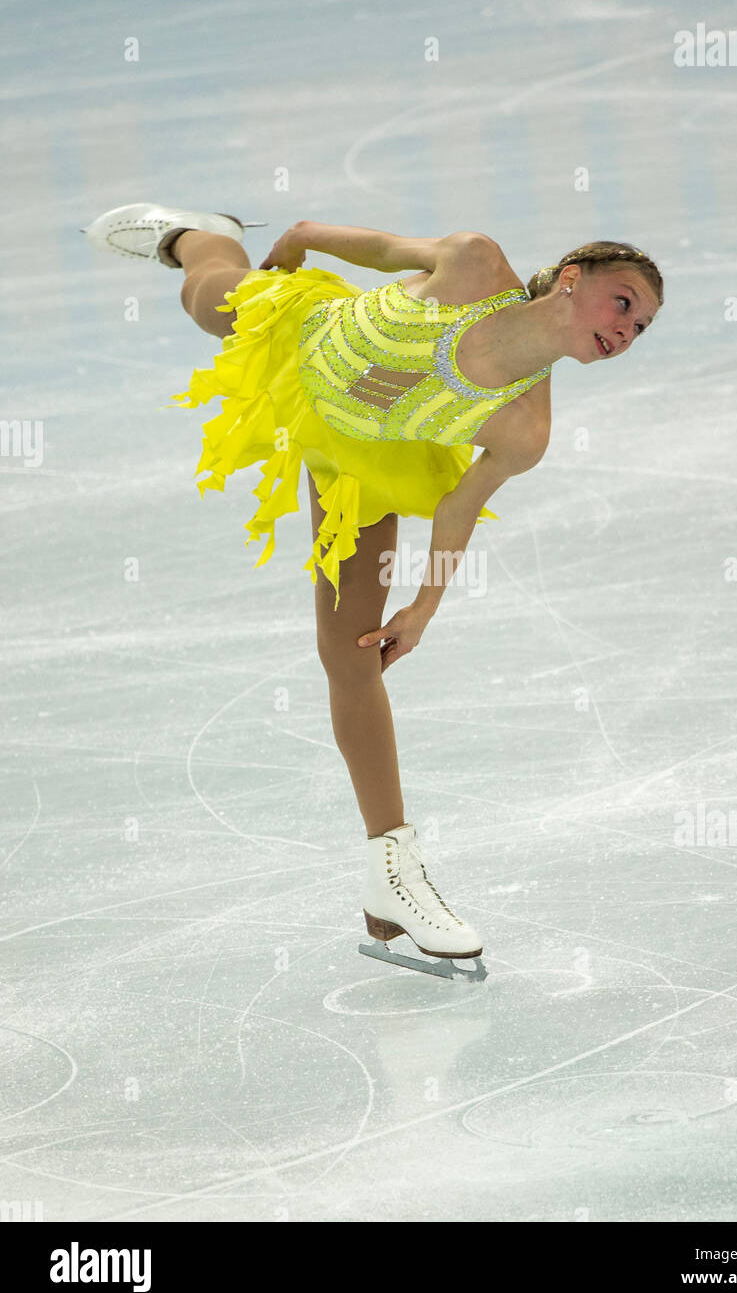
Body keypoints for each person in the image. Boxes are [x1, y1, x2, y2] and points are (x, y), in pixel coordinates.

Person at [82, 203, 663, 975]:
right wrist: (276, 276)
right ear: (568, 280)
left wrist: (422, 606)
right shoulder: (473, 264)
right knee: (212, 294)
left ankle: (392, 870)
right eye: (622, 303)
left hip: (359, 456)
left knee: (350, 653)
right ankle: (188, 233)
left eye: (642, 327)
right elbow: (326, 238)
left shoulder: (524, 426)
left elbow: (458, 506)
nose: (627, 330)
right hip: (305, 341)